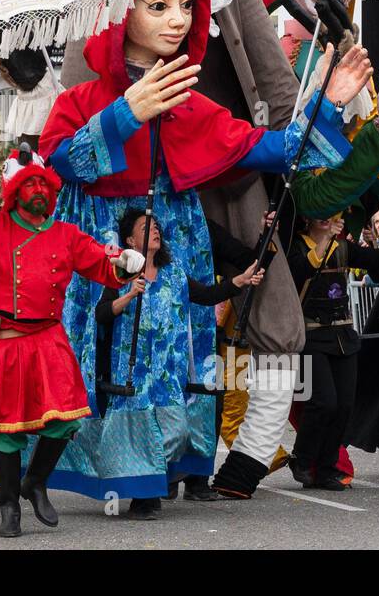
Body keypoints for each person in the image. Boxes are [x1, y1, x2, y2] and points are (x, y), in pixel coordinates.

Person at [32, 0, 369, 505]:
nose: (176, 20)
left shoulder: (190, 100)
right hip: (103, 245)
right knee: (113, 353)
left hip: (174, 244)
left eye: (187, 6)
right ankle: (89, 474)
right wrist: (125, 115)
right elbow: (60, 164)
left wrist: (328, 102)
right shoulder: (83, 99)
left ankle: (160, 471)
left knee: (172, 349)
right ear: (120, 9)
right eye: (157, 5)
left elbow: (277, 150)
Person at [0, 146, 144, 537]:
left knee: (64, 419)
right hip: (6, 341)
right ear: (14, 191)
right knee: (5, 429)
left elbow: (100, 262)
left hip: (49, 338)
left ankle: (36, 482)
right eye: (31, 184)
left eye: (44, 183)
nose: (39, 190)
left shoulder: (66, 234)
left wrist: (122, 263)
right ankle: (9, 508)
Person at [95, 206, 263, 515]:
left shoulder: (173, 274)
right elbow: (102, 314)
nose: (155, 230)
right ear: (130, 241)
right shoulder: (120, 272)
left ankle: (146, 482)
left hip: (167, 376)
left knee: (178, 433)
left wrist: (238, 281)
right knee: (137, 434)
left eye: (156, 226)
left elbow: (208, 295)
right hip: (134, 374)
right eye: (146, 228)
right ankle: (143, 497)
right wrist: (129, 294)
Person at [286, 213, 379, 490]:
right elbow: (300, 271)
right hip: (310, 335)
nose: (332, 220)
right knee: (323, 402)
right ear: (308, 219)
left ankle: (327, 468)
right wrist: (328, 238)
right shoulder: (295, 247)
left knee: (344, 406)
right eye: (324, 217)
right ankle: (302, 459)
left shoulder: (342, 248)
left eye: (335, 216)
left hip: (343, 335)